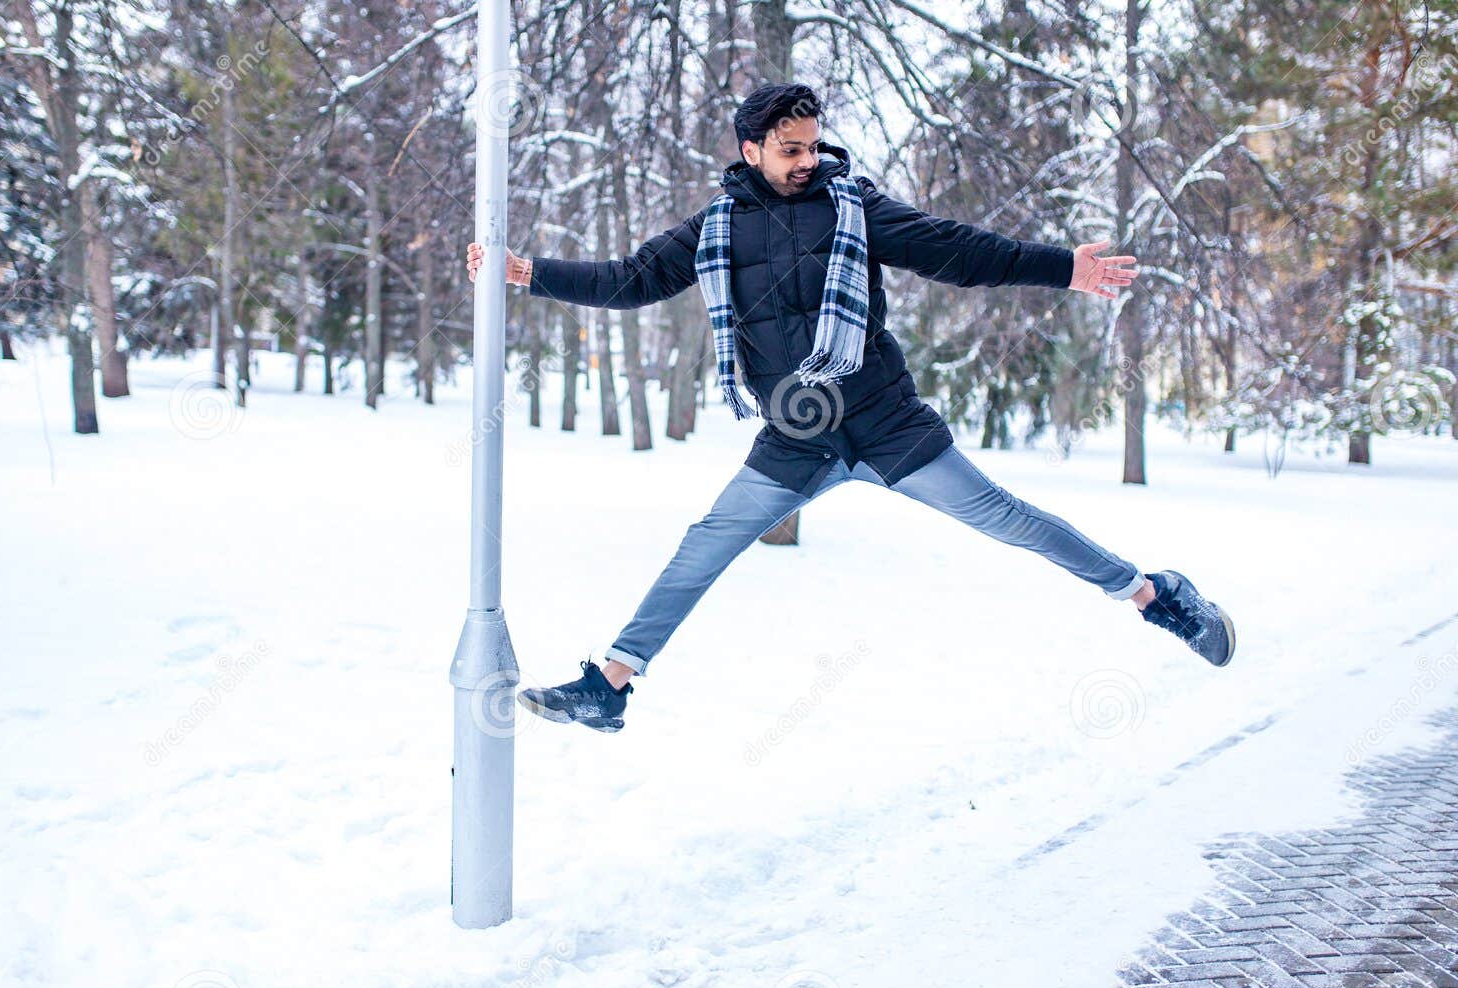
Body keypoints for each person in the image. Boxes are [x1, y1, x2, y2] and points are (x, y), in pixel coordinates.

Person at [466, 82, 1234, 733]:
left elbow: (957, 250)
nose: (807, 161)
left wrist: (1063, 267)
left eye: (812, 146)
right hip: (797, 437)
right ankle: (611, 685)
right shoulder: (714, 230)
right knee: (705, 544)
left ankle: (1154, 593)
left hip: (886, 423)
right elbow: (627, 280)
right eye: (790, 148)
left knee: (1008, 519)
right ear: (751, 150)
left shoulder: (854, 206)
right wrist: (527, 272)